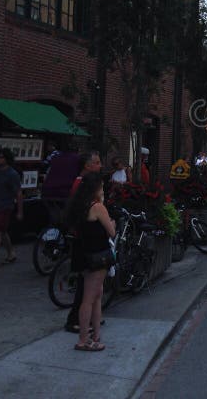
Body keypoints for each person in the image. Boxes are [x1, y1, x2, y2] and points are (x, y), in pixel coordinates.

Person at [66, 171, 115, 351]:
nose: (103, 189)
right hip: (97, 256)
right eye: (101, 187)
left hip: (83, 254)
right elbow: (112, 232)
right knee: (88, 299)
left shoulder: (79, 206)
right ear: (96, 188)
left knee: (96, 295)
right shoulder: (98, 207)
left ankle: (96, 335)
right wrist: (112, 223)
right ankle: (84, 339)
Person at [65, 150, 102, 334]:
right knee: (85, 283)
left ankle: (91, 318)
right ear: (87, 165)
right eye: (97, 162)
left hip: (85, 236)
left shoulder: (85, 183)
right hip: (85, 238)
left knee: (91, 284)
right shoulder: (82, 184)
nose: (100, 166)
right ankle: (75, 320)